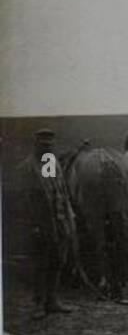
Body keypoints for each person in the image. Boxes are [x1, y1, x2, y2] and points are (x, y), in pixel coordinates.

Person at [16, 129, 75, 315]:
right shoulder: (26, 168)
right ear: (36, 145)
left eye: (50, 145)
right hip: (40, 225)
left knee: (57, 260)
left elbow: (60, 191)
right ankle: (39, 304)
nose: (47, 148)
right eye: (43, 145)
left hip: (58, 222)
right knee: (40, 263)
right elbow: (25, 202)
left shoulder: (51, 163)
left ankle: (52, 301)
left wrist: (68, 216)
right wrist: (32, 226)